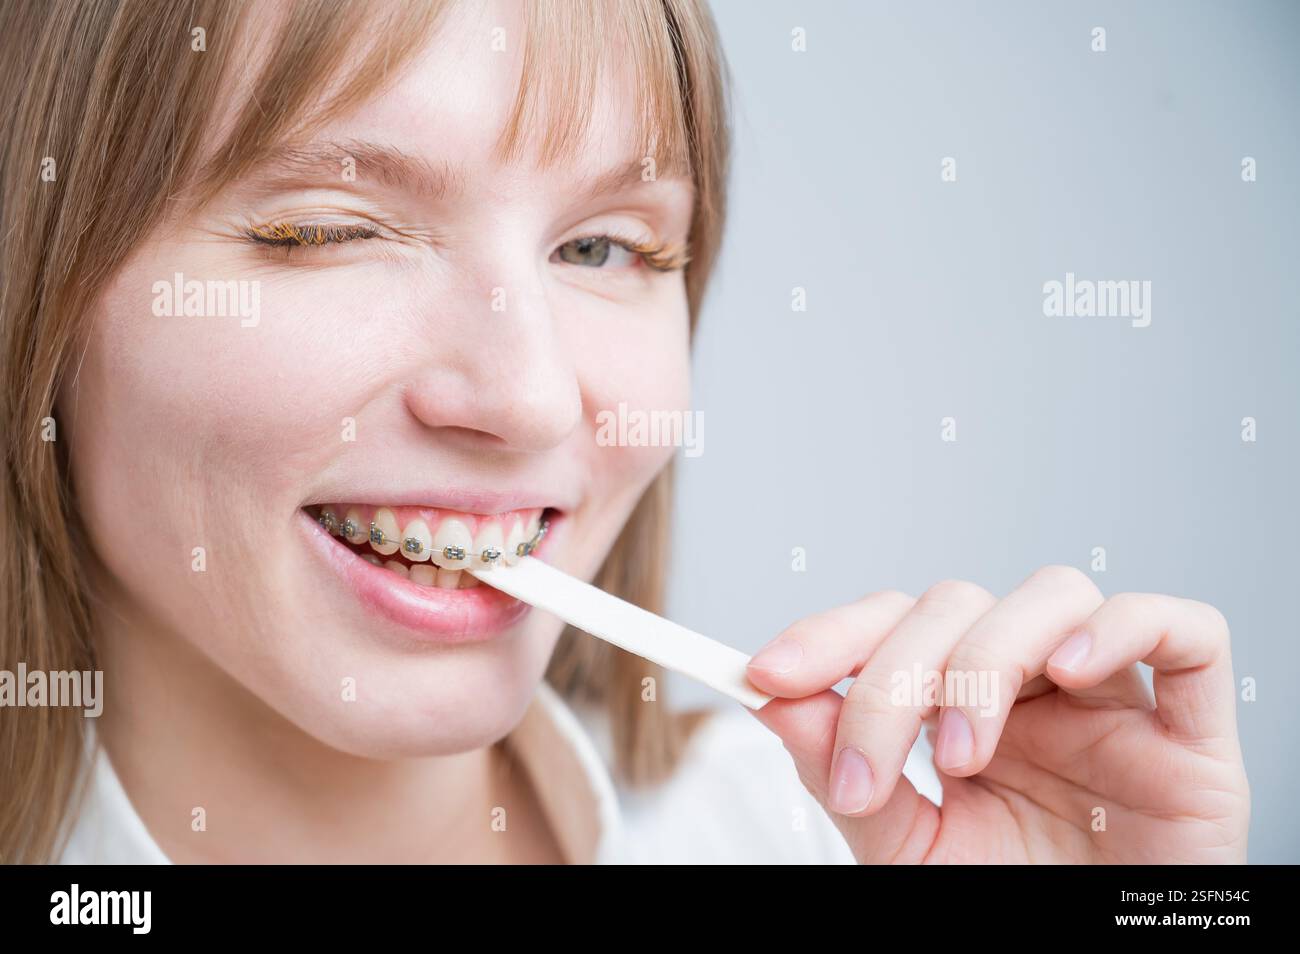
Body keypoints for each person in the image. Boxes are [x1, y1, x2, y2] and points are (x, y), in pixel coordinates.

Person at [0, 0, 1248, 864]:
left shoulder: (816, 836)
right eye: (330, 228)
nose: (533, 398)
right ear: (38, 295)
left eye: (602, 247)